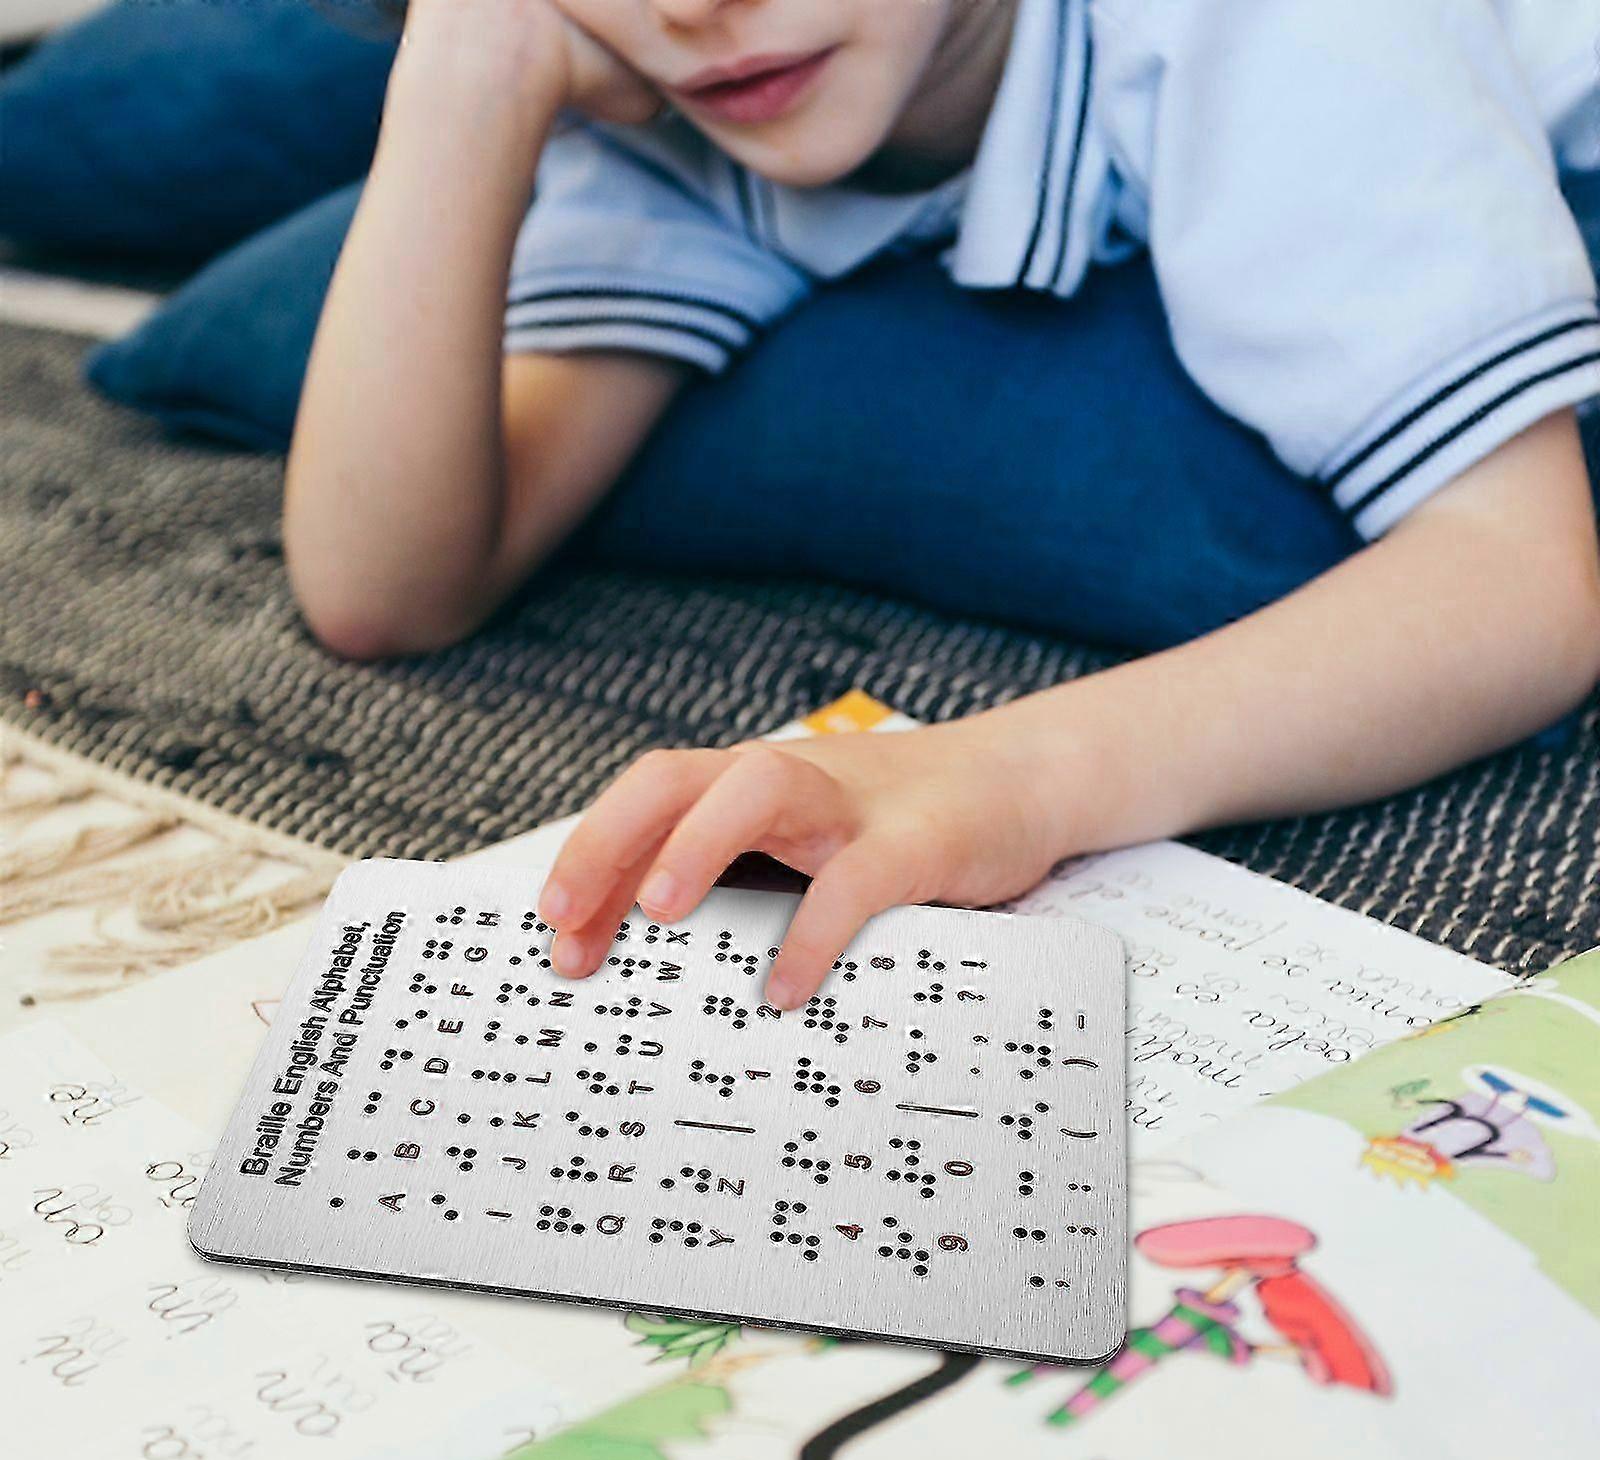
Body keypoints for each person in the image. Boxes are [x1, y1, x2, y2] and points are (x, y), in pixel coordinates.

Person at [285, 0, 1600, 1009]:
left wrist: (998, 777)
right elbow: (382, 588)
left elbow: (1522, 583)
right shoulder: (704, 91)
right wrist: (463, 76)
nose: (688, 7)